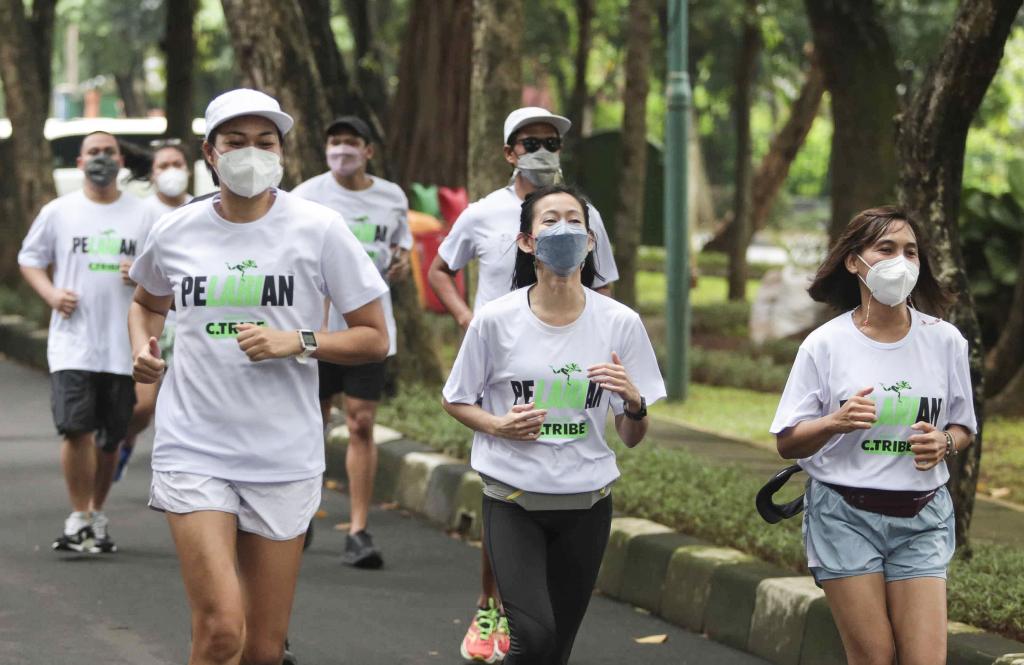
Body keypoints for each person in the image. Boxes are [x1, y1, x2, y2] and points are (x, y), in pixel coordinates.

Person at [128, 88, 389, 665]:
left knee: (264, 651)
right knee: (221, 630)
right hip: (193, 445)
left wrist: (297, 341)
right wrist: (142, 353)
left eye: (264, 143)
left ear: (283, 153)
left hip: (282, 452)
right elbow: (147, 301)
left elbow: (374, 336)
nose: (251, 153)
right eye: (235, 142)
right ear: (210, 153)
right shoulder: (177, 231)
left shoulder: (318, 229)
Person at [442, 184, 665, 665]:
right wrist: (499, 426)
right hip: (514, 499)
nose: (563, 229)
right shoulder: (495, 321)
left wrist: (634, 403)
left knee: (556, 649)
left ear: (590, 242)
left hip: (588, 504)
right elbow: (456, 400)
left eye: (574, 221)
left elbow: (630, 436)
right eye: (550, 220)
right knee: (534, 636)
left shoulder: (620, 323)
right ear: (526, 241)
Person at [428, 106, 619, 663]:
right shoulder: (483, 214)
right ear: (509, 152)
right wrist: (466, 317)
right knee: (506, 481)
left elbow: (604, 284)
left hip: (566, 364)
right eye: (529, 142)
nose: (541, 151)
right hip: (497, 365)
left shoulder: (587, 215)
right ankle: (492, 603)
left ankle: (523, 620)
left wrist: (591, 335)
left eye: (551, 143)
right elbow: (441, 269)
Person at [770, 206, 976, 665]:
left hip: (922, 518)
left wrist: (944, 443)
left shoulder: (945, 341)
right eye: (885, 248)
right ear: (853, 261)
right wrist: (834, 422)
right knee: (875, 657)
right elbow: (788, 441)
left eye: (910, 251)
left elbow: (964, 427)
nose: (899, 260)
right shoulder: (825, 344)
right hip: (844, 516)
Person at [18, 130, 155, 554]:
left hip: (121, 344)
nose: (100, 158)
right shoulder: (60, 212)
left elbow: (166, 271)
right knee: (76, 429)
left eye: (108, 151)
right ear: (80, 163)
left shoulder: (144, 215)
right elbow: (30, 258)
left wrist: (141, 275)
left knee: (110, 438)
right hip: (73, 343)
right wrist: (51, 294)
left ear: (121, 159)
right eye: (92, 152)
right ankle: (78, 516)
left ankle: (96, 512)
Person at [292, 115, 411, 568]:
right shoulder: (306, 197)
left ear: (368, 151)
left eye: (350, 143)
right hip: (319, 330)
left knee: (361, 424)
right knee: (313, 424)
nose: (342, 150)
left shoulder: (391, 197)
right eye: (334, 143)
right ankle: (301, 515)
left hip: (371, 329)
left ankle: (359, 530)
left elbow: (400, 248)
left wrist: (400, 264)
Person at [115, 141, 194, 481]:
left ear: (190, 169)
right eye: (163, 166)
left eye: (177, 163)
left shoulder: (204, 210)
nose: (171, 171)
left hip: (193, 324)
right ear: (152, 174)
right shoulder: (141, 213)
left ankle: (183, 471)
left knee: (188, 408)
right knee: (144, 406)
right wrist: (131, 272)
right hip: (154, 320)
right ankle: (126, 438)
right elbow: (126, 263)